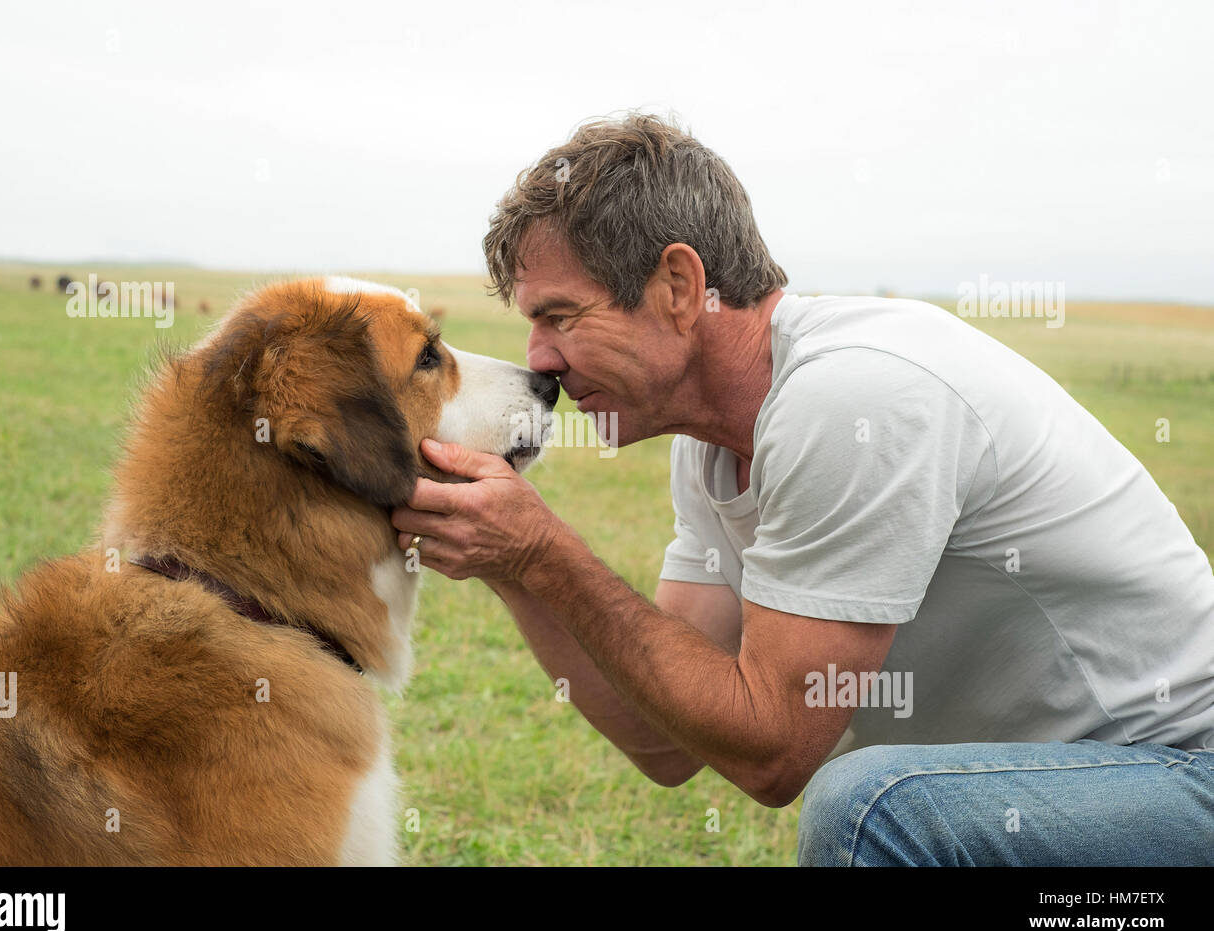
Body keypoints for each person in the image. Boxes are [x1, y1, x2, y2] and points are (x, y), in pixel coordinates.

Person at [390, 113, 1214, 865]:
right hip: (1054, 792)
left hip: (1182, 775)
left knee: (874, 808)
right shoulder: (714, 445)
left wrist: (544, 552)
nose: (538, 360)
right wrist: (510, 562)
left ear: (678, 287)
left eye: (561, 317)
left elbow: (773, 752)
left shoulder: (853, 396)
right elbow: (669, 740)